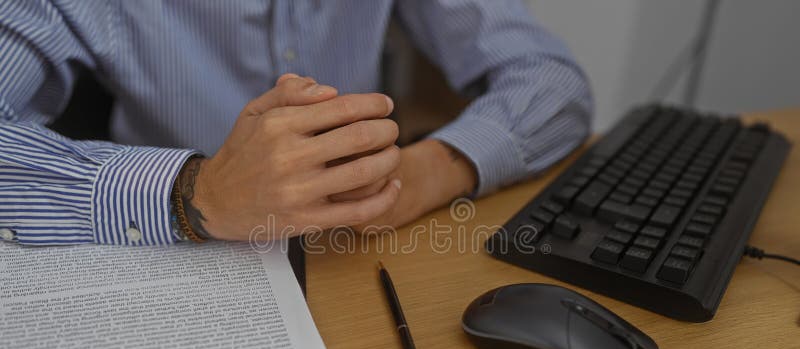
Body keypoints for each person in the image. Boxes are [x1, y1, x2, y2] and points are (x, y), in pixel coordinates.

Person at [0, 0, 592, 246]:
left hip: (352, 253)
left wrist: (429, 172)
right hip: (166, 261)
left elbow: (551, 79)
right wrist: (194, 192)